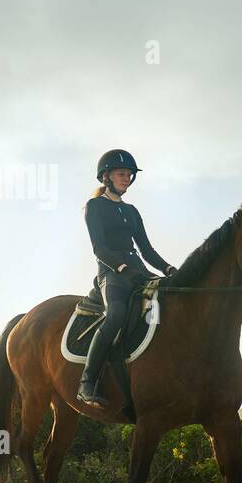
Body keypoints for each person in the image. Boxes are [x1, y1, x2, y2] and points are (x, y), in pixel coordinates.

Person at [77, 150, 176, 407]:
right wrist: (121, 269)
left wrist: (167, 269)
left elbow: (147, 249)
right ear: (106, 176)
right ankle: (87, 383)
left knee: (173, 303)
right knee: (116, 315)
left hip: (139, 270)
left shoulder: (132, 211)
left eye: (130, 175)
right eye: (122, 174)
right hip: (111, 274)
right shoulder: (94, 206)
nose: (127, 178)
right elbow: (99, 248)